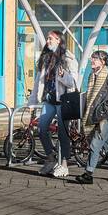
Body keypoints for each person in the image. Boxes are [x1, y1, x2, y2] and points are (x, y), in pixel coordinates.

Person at [70, 49, 108, 184]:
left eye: (95, 58)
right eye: (92, 58)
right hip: (94, 115)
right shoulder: (92, 76)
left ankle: (88, 174)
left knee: (95, 144)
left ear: (102, 62)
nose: (92, 60)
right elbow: (91, 97)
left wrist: (103, 110)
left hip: (106, 117)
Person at [28, 28, 78, 178]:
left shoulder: (68, 59)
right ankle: (50, 158)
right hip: (48, 101)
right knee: (42, 129)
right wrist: (32, 102)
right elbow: (38, 82)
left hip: (63, 102)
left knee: (63, 133)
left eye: (51, 38)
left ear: (59, 41)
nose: (48, 41)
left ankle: (64, 165)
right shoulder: (45, 58)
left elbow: (73, 83)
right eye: (48, 38)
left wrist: (63, 76)